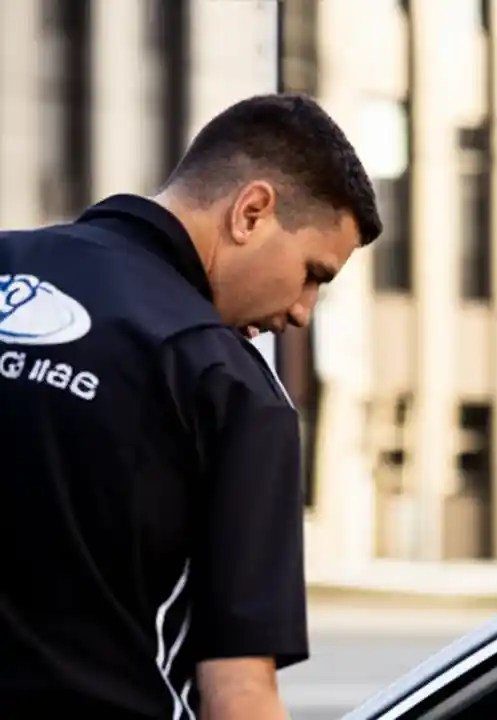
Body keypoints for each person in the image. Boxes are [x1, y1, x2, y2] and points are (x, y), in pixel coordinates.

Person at [0, 94, 381, 719]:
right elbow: (238, 692)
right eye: (314, 273)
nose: (302, 311)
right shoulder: (224, 382)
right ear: (252, 212)